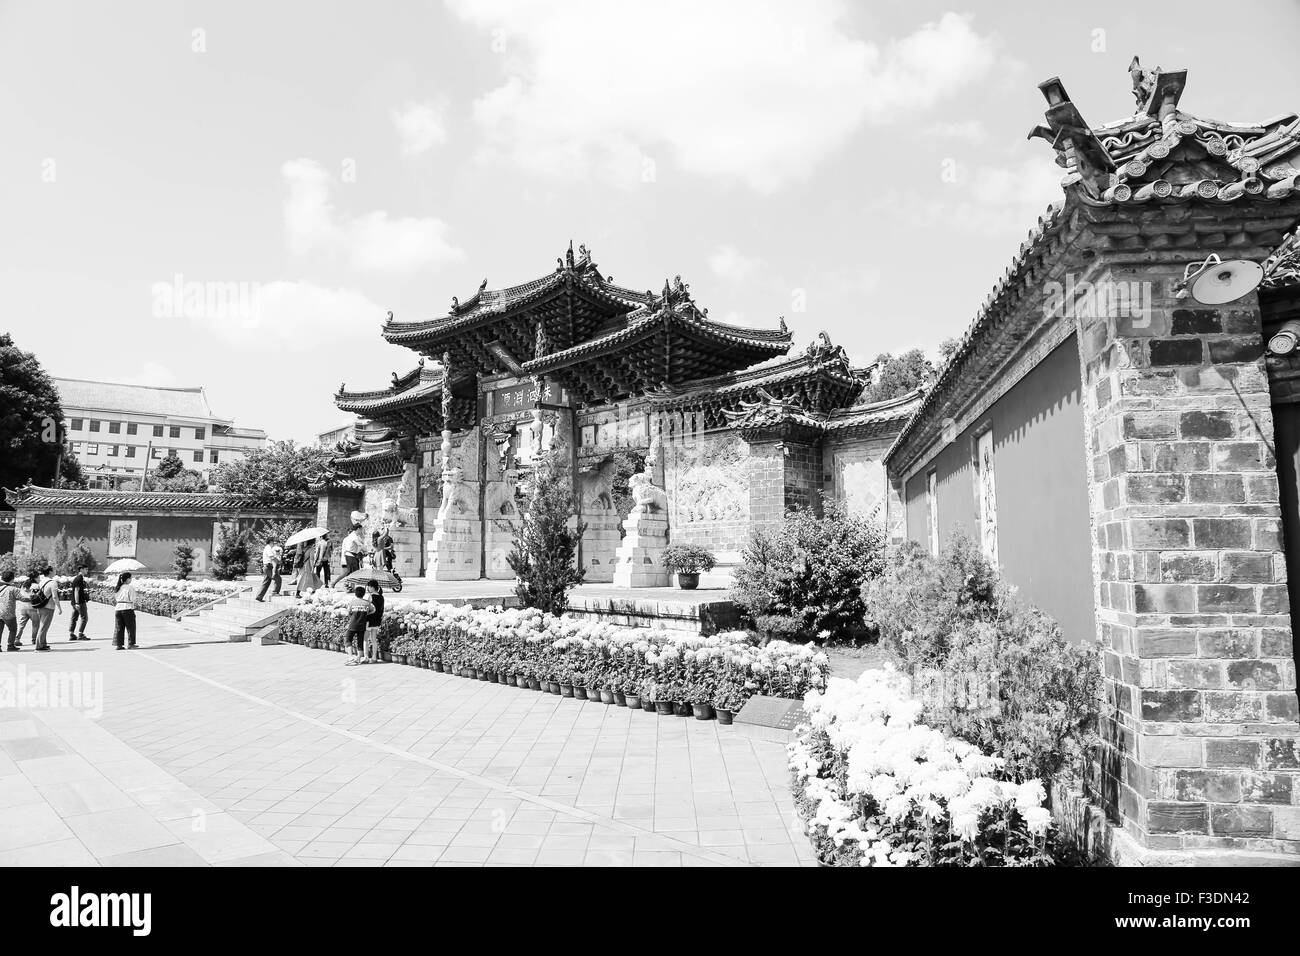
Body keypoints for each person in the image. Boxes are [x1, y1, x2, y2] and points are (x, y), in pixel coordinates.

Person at [32, 566, 60, 652]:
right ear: (50, 571)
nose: (55, 571)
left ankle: (43, 644)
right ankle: (39, 646)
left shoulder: (41, 581)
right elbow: (55, 597)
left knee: (43, 625)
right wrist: (59, 608)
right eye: (54, 570)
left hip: (40, 605)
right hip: (49, 607)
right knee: (44, 626)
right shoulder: (53, 582)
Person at [343, 585, 373, 665]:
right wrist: (367, 613)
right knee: (360, 642)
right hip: (362, 625)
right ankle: (359, 658)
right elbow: (373, 610)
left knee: (348, 639)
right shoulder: (367, 603)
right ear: (363, 594)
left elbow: (348, 613)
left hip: (353, 624)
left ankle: (351, 657)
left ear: (355, 594)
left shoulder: (352, 602)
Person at [112, 571, 138, 650]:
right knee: (131, 627)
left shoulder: (118, 587)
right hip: (127, 608)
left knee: (119, 627)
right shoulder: (130, 587)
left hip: (118, 608)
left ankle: (119, 644)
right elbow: (133, 598)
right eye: (130, 578)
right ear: (127, 579)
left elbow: (115, 598)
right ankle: (131, 644)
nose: (131, 580)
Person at [363, 580, 384, 664]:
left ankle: (366, 657)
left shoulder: (370, 596)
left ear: (372, 587)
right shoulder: (381, 597)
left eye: (369, 586)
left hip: (369, 620)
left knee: (365, 639)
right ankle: (374, 657)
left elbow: (366, 608)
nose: (368, 588)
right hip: (377, 620)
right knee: (374, 639)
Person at [67, 570, 90, 641]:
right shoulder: (79, 578)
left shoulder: (77, 578)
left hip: (75, 602)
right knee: (84, 618)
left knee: (74, 618)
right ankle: (80, 634)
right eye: (86, 569)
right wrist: (77, 603)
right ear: (81, 570)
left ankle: (71, 634)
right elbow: (76, 591)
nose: (87, 570)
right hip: (80, 602)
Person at [0, 570, 18, 651]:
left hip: (0, 612)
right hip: (9, 613)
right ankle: (10, 646)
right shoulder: (13, 589)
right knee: (13, 629)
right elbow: (22, 598)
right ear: (12, 579)